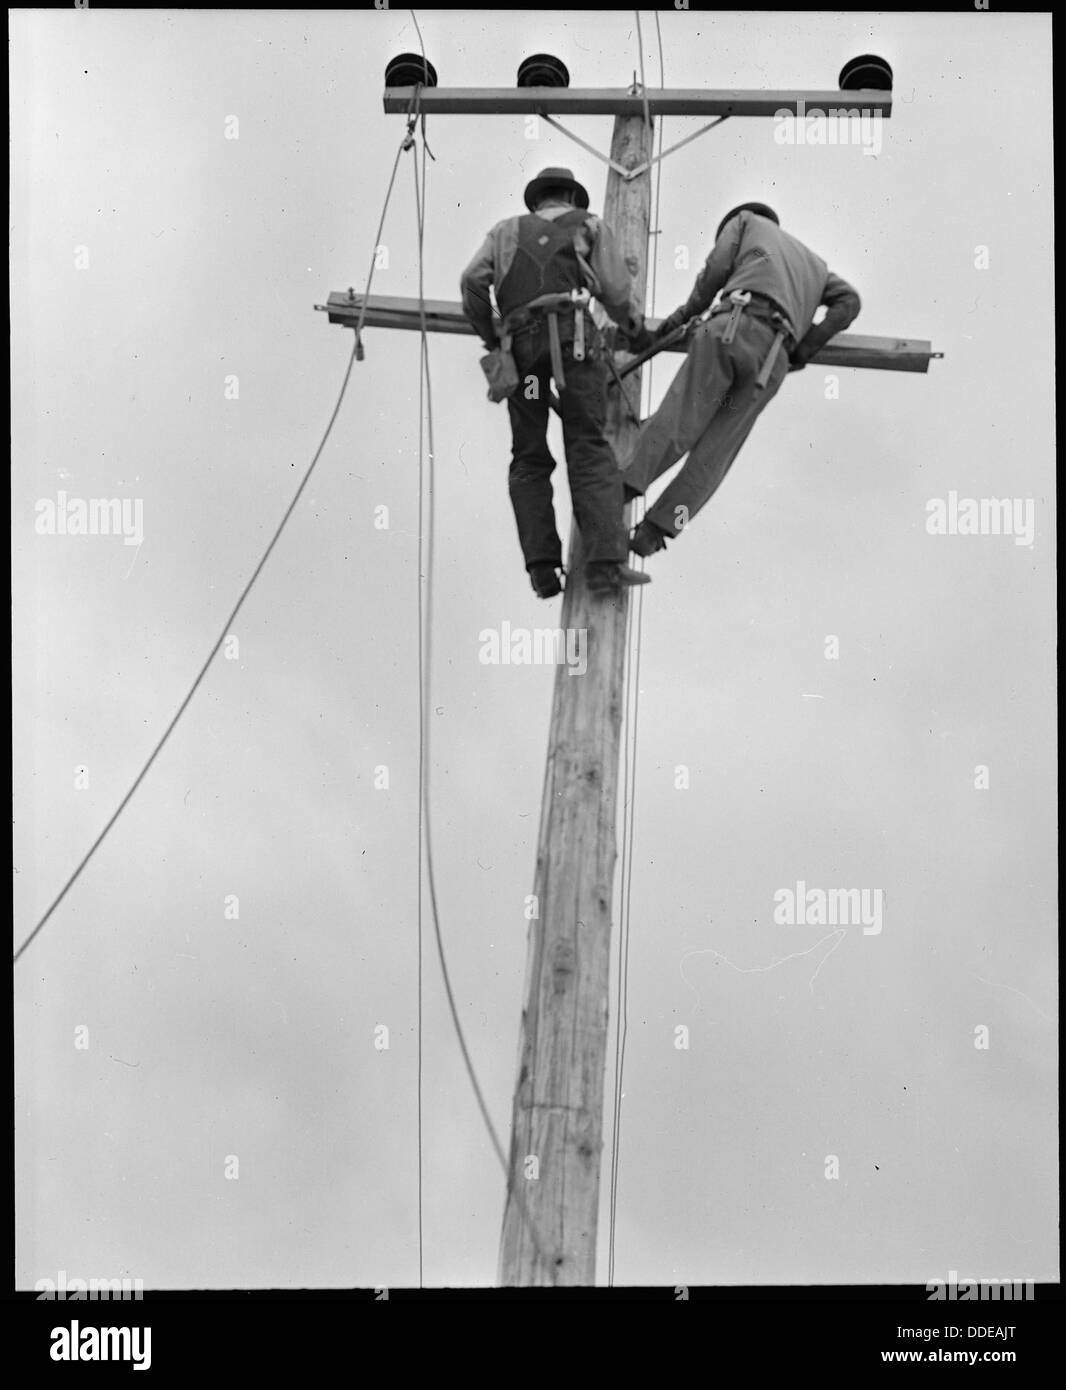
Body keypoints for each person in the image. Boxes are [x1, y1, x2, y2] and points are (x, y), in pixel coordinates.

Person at [620, 202, 862, 559]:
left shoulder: (744, 222)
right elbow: (849, 302)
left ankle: (620, 489)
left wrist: (682, 317)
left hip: (733, 327)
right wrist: (803, 348)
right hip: (772, 360)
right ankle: (657, 530)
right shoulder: (817, 267)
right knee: (718, 450)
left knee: (680, 420)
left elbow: (715, 268)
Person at [460, 166, 653, 597]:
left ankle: (542, 567)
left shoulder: (504, 230)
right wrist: (636, 330)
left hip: (523, 357)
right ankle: (604, 566)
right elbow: (617, 292)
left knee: (528, 454)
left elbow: (472, 283)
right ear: (571, 196)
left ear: (536, 200)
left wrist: (493, 337)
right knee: (587, 444)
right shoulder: (588, 225)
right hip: (574, 346)